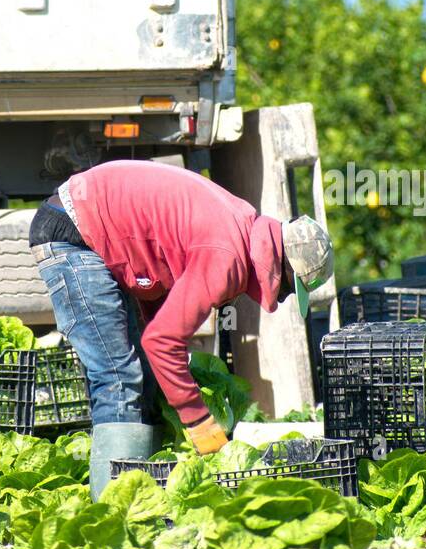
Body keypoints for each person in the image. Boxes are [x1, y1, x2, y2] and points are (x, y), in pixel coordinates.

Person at [29, 160, 332, 491]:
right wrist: (200, 424)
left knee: (138, 376)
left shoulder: (241, 227)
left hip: (88, 226)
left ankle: (139, 493)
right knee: (119, 378)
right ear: (283, 265)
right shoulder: (227, 256)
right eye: (291, 287)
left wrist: (171, 371)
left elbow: (155, 280)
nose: (285, 296)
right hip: (74, 233)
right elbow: (162, 342)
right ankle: (111, 512)